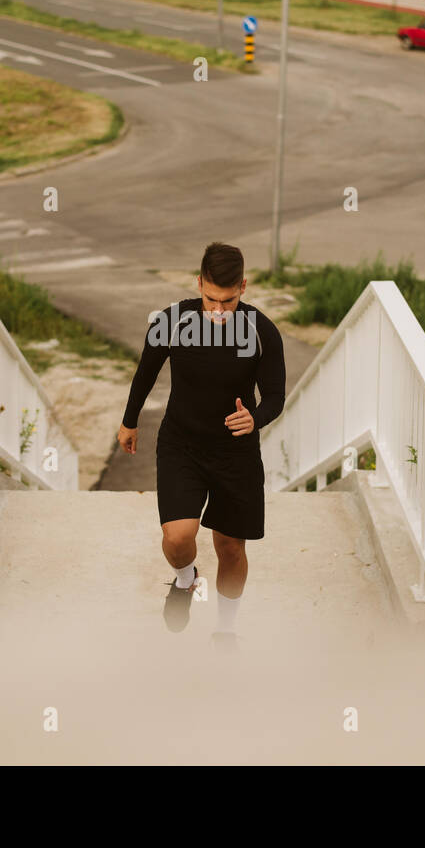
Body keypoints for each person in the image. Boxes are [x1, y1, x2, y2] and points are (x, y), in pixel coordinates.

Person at [117, 242, 286, 652]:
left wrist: (256, 418)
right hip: (182, 445)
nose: (218, 310)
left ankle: (225, 630)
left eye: (228, 301)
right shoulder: (172, 322)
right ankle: (186, 578)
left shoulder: (262, 332)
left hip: (235, 452)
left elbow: (276, 397)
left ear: (243, 287)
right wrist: (129, 420)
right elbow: (146, 371)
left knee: (230, 548)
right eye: (211, 298)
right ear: (199, 284)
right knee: (178, 538)